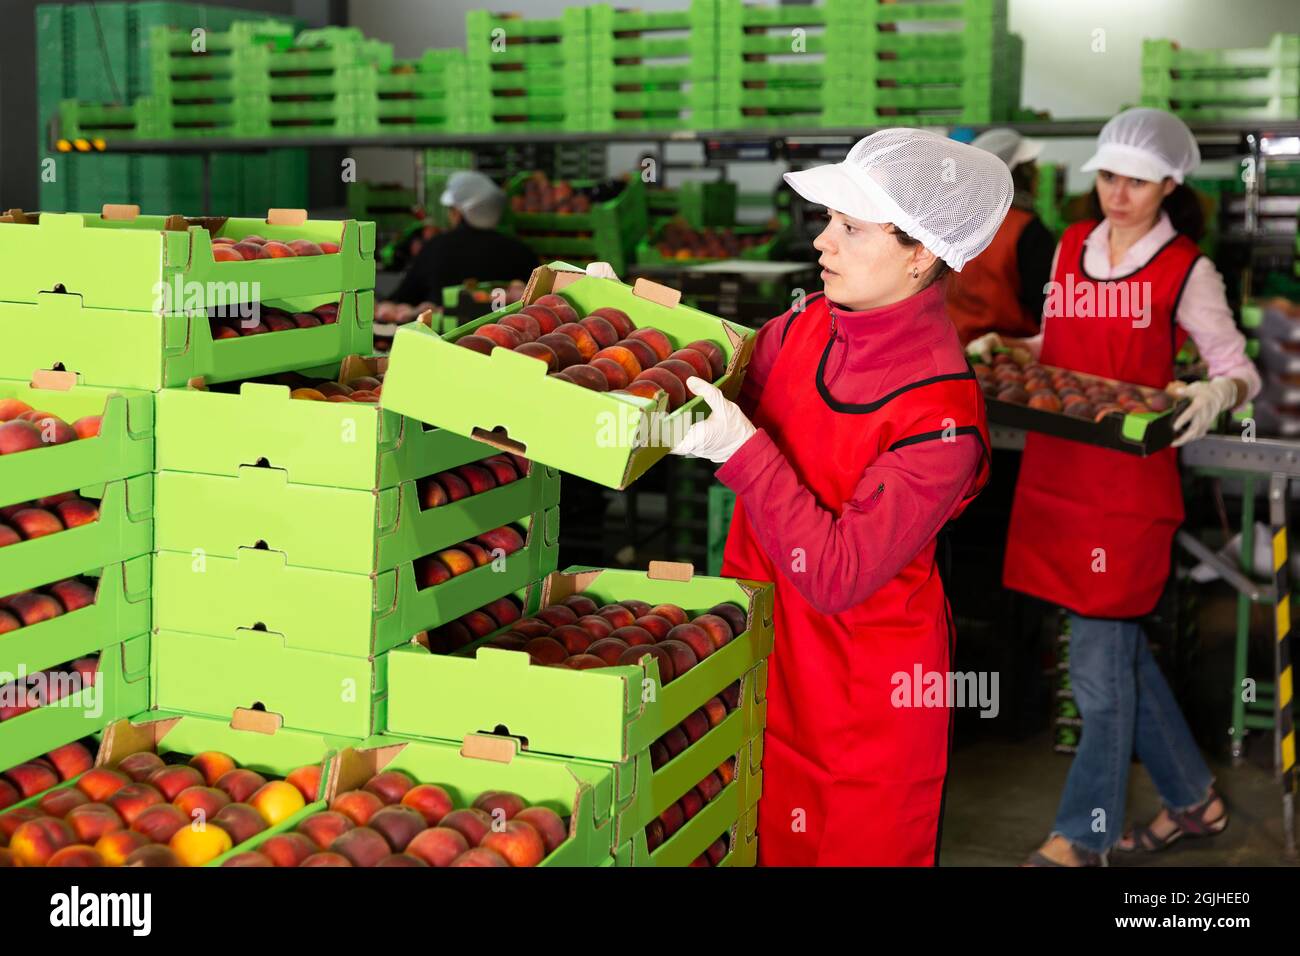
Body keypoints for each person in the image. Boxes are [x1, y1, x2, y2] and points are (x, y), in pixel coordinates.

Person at [668, 129, 1012, 866]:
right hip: (766, 654)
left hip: (862, 704)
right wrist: (633, 321)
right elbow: (721, 370)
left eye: (851, 228)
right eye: (829, 221)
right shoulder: (808, 323)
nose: (823, 243)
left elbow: (837, 573)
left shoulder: (940, 416)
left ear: (921, 253)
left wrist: (742, 451)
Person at [969, 108, 1261, 866]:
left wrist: (1214, 396)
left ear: (1169, 184)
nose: (1117, 194)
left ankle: (1083, 835)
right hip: (1058, 480)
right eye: (1106, 177)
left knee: (1097, 670)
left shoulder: (1186, 270)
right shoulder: (1071, 247)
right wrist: (1009, 344)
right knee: (1121, 654)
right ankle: (1194, 801)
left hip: (1127, 495)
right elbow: (1059, 344)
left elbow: (1236, 365)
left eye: (1135, 181)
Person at [946, 128, 1055, 345]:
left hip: (954, 349)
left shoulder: (950, 222)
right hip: (1011, 354)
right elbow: (1045, 306)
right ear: (1023, 175)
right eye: (1032, 169)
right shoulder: (1028, 230)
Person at [389, 171, 538, 307]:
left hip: (439, 334)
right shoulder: (521, 252)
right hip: (504, 331)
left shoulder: (436, 247)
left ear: (458, 212)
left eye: (451, 210)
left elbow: (405, 298)